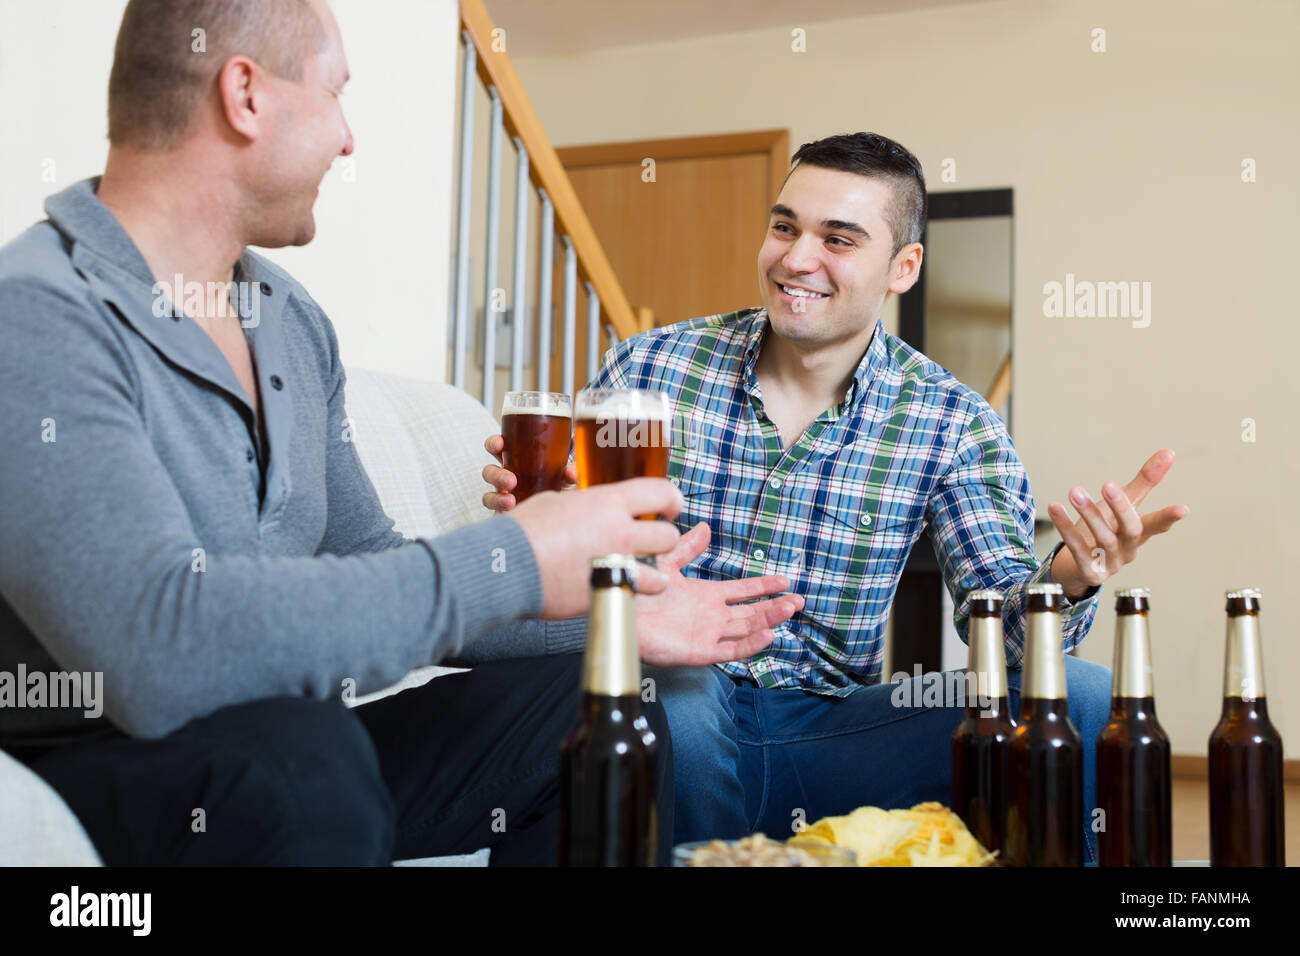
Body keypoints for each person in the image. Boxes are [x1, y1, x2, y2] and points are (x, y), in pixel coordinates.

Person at [0, 0, 802, 866]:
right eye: (336, 95)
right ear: (246, 95)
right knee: (306, 760)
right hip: (94, 769)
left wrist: (609, 623)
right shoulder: (40, 315)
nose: (348, 140)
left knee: (614, 697)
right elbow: (162, 653)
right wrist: (521, 556)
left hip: (294, 750)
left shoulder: (288, 320)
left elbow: (369, 560)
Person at [482, 131, 1189, 862]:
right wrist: (550, 526)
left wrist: (1069, 579)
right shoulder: (652, 365)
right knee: (673, 697)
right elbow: (591, 560)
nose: (795, 258)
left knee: (1078, 694)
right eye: (784, 226)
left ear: (902, 267)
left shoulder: (952, 420)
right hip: (670, 701)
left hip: (829, 731)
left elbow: (1004, 637)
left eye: (838, 239)